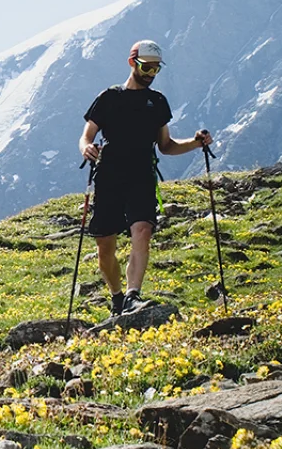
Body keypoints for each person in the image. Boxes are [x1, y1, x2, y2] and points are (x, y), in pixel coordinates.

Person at [77, 40, 212, 314]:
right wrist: (86, 148)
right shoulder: (109, 98)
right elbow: (86, 136)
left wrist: (196, 143)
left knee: (143, 230)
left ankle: (132, 295)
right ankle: (116, 297)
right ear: (132, 63)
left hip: (142, 174)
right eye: (146, 68)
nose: (150, 74)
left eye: (155, 69)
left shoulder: (158, 102)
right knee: (105, 245)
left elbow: (166, 145)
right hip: (109, 176)